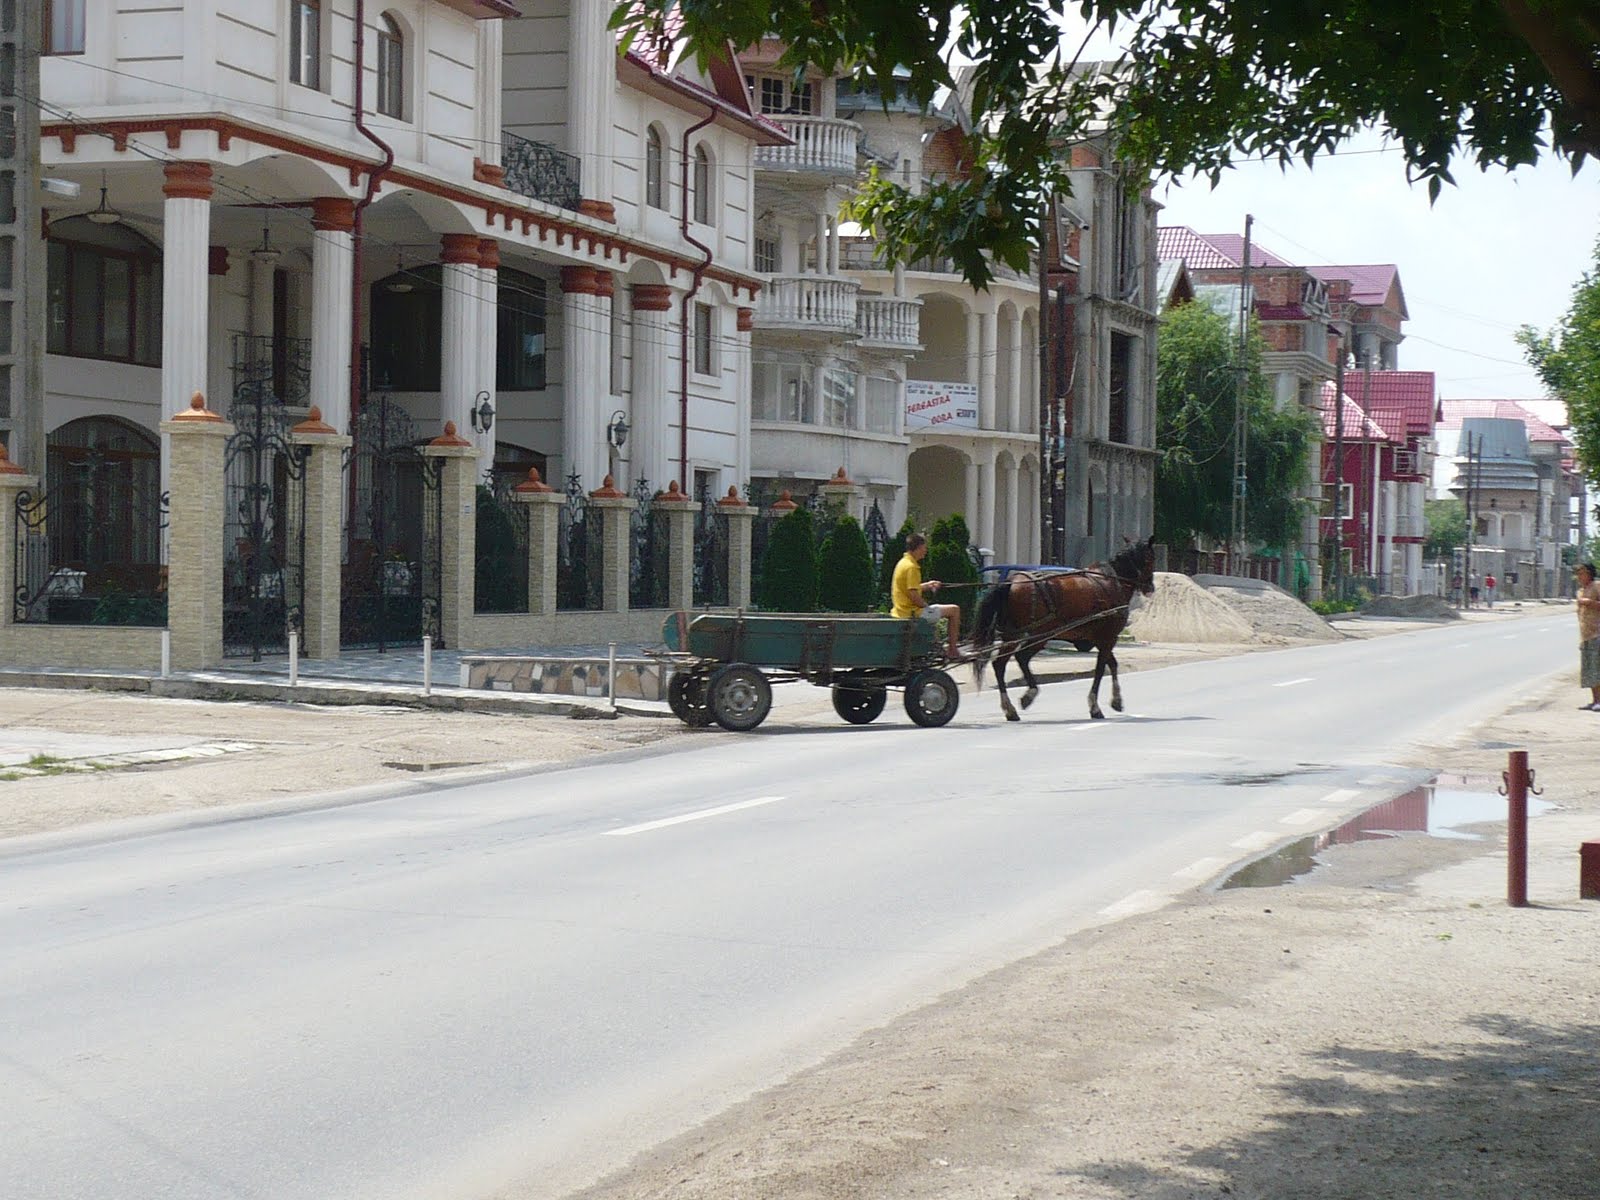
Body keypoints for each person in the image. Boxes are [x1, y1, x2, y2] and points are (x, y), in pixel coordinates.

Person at [891, 532, 961, 658]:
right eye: (924, 548)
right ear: (918, 548)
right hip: (912, 613)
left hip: (901, 610)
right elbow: (913, 595)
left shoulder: (903, 562)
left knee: (943, 609)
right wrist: (926, 606)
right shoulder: (912, 567)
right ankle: (952, 650)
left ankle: (941, 645)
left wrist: (928, 585)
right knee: (954, 610)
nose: (926, 551)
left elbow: (909, 588)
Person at [1576, 562, 1600, 710]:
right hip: (1586, 635)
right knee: (1589, 670)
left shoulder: (1596, 586)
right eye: (1578, 573)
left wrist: (1590, 602)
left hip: (1597, 633)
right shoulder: (1581, 591)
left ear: (1590, 573)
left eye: (1582, 573)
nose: (1580, 576)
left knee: (1597, 668)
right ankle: (1595, 700)